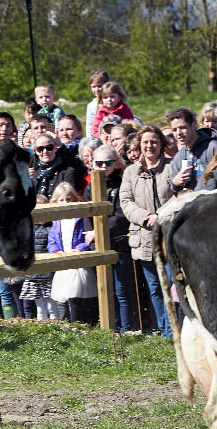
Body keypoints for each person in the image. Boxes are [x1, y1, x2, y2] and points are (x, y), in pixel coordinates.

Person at [119, 126, 174, 338]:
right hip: (143, 237)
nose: (149, 146)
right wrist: (145, 217)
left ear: (161, 144)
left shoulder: (171, 167)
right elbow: (125, 201)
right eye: (145, 142)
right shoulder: (131, 172)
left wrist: (159, 216)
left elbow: (178, 196)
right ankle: (164, 330)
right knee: (155, 288)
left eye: (154, 142)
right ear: (139, 145)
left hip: (167, 234)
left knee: (170, 286)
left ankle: (175, 329)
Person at [83, 145, 135, 333]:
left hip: (119, 244)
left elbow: (122, 216)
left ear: (116, 163)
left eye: (108, 162)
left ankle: (126, 328)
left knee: (122, 291)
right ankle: (109, 327)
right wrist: (93, 237)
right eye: (99, 163)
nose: (104, 166)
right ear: (92, 164)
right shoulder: (90, 187)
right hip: (98, 246)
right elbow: (87, 215)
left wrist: (99, 231)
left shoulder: (122, 185)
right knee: (105, 289)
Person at [47, 183, 97, 325]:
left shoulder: (80, 218)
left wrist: (80, 249)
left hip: (78, 263)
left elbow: (86, 238)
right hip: (63, 262)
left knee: (77, 296)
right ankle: (66, 324)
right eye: (61, 200)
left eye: (69, 199)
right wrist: (55, 251)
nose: (65, 203)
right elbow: (52, 239)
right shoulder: (56, 221)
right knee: (62, 297)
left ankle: (80, 323)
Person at [167, 107, 217, 194]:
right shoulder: (178, 157)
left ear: (194, 125)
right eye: (174, 130)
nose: (178, 133)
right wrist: (175, 183)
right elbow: (174, 190)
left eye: (182, 127)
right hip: (191, 204)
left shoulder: (213, 147)